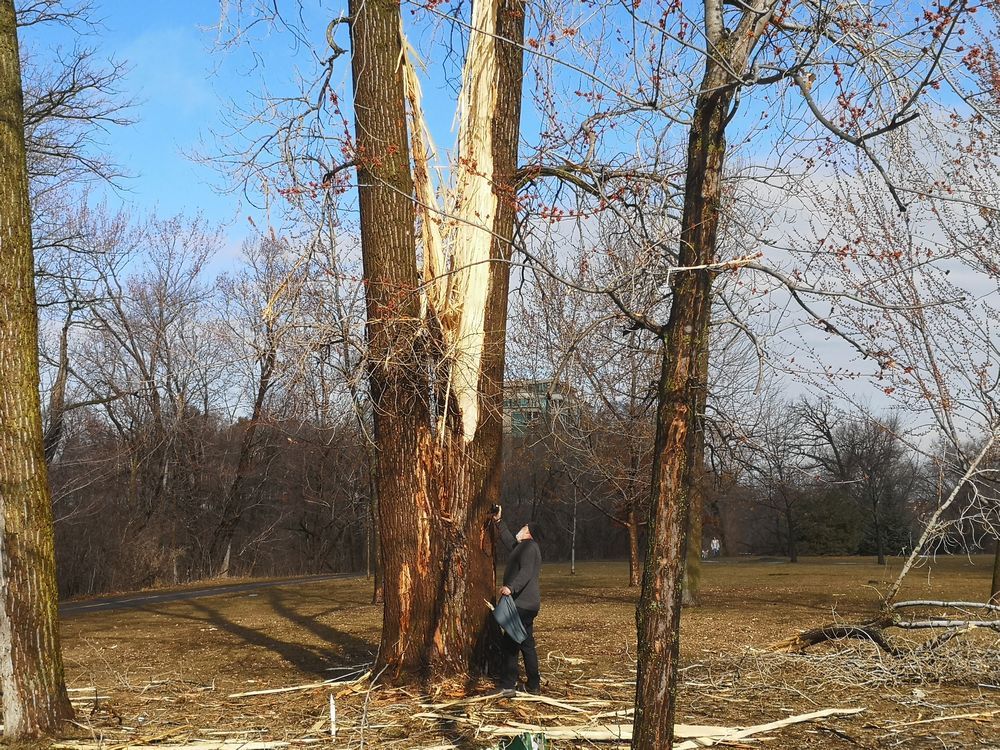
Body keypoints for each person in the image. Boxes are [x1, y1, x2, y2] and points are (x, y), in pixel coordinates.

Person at [492, 505, 542, 696]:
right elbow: (508, 540)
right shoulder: (523, 547)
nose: (520, 529)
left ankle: (507, 685)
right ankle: (533, 685)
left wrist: (510, 588)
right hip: (527, 605)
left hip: (522, 605)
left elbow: (526, 572)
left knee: (510, 644)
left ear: (528, 532)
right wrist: (498, 521)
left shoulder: (530, 547)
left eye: (523, 527)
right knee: (526, 643)